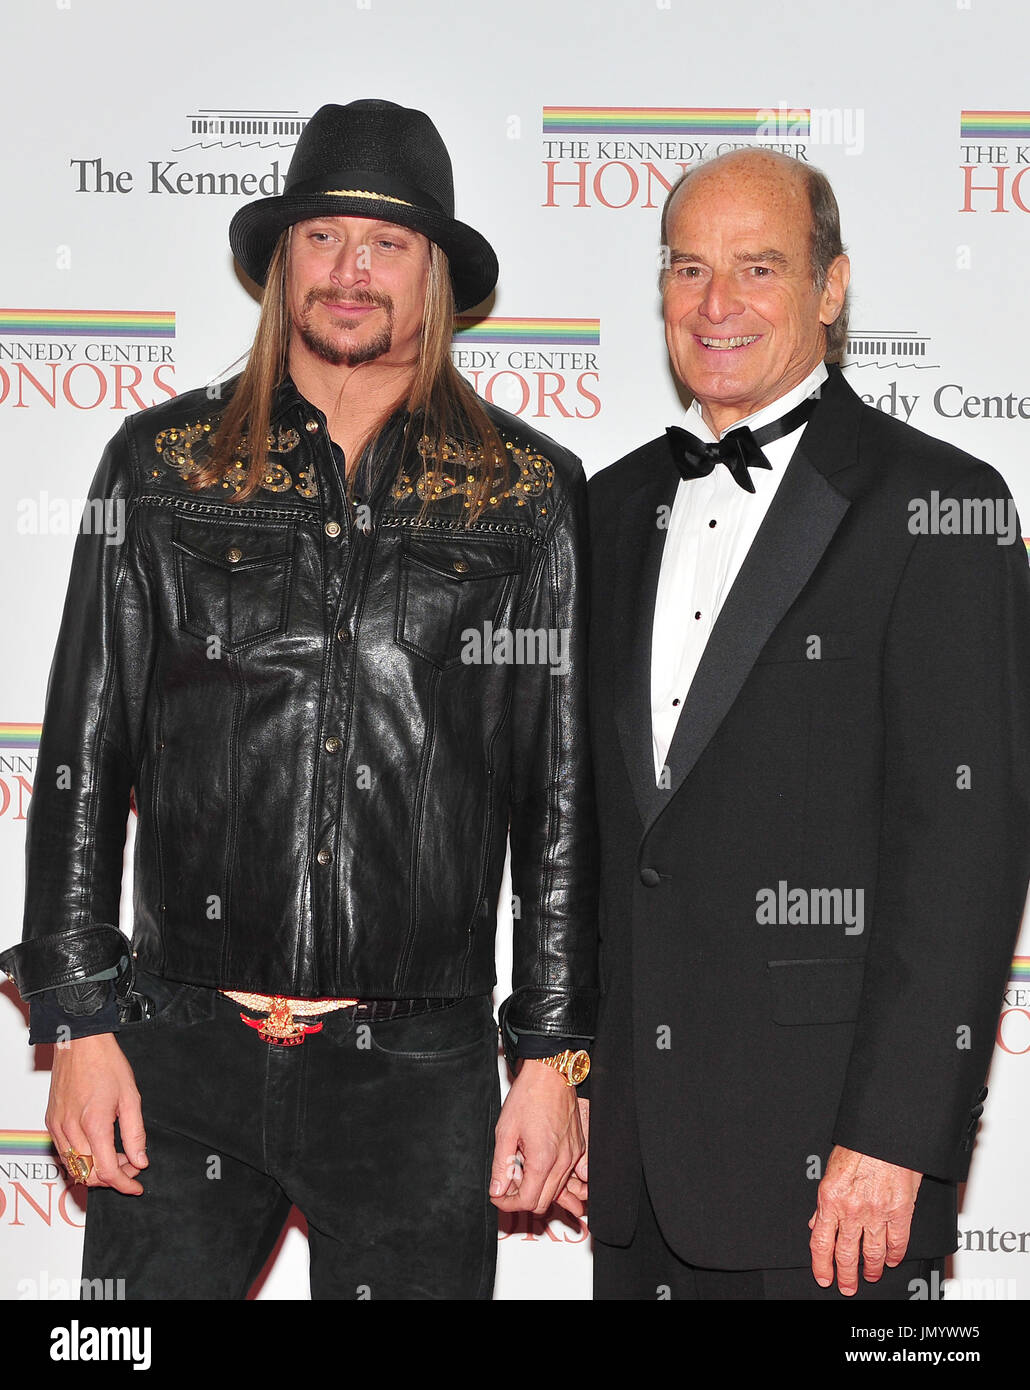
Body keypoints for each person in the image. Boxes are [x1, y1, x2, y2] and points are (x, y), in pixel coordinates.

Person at [0, 99, 597, 1301]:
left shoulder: (525, 493)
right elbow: (85, 748)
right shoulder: (162, 464)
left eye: (387, 244)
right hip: (177, 1050)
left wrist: (548, 1053)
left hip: (415, 1069)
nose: (351, 272)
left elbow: (561, 796)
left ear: (435, 278)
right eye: (323, 237)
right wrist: (76, 1019)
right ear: (282, 264)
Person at [585, 148, 1030, 1300]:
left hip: (837, 1186)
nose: (715, 304)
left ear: (831, 289)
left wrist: (894, 1139)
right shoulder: (611, 504)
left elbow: (965, 855)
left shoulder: (940, 504)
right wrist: (571, 1067)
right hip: (637, 1178)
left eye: (758, 267)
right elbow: (593, 837)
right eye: (688, 269)